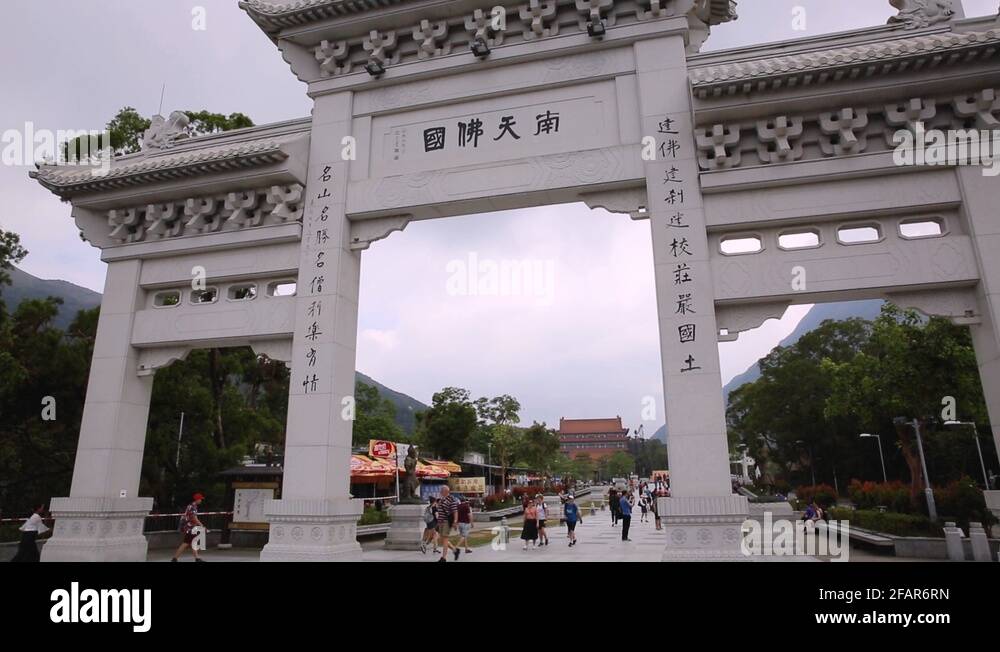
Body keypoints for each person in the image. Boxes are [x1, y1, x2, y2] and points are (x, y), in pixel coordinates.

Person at [172, 492, 206, 562]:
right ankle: (196, 558)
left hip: (189, 527)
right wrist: (201, 525)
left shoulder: (192, 505)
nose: (201, 501)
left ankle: (175, 558)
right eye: (200, 499)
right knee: (188, 542)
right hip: (190, 527)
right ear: (197, 499)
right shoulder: (193, 506)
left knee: (187, 542)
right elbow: (194, 518)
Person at [436, 486, 460, 562]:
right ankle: (455, 550)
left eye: (441, 491)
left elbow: (455, 511)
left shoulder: (451, 499)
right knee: (442, 539)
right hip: (440, 521)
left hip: (446, 521)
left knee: (445, 539)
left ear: (445, 491)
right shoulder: (441, 499)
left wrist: (455, 521)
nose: (440, 492)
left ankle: (443, 558)